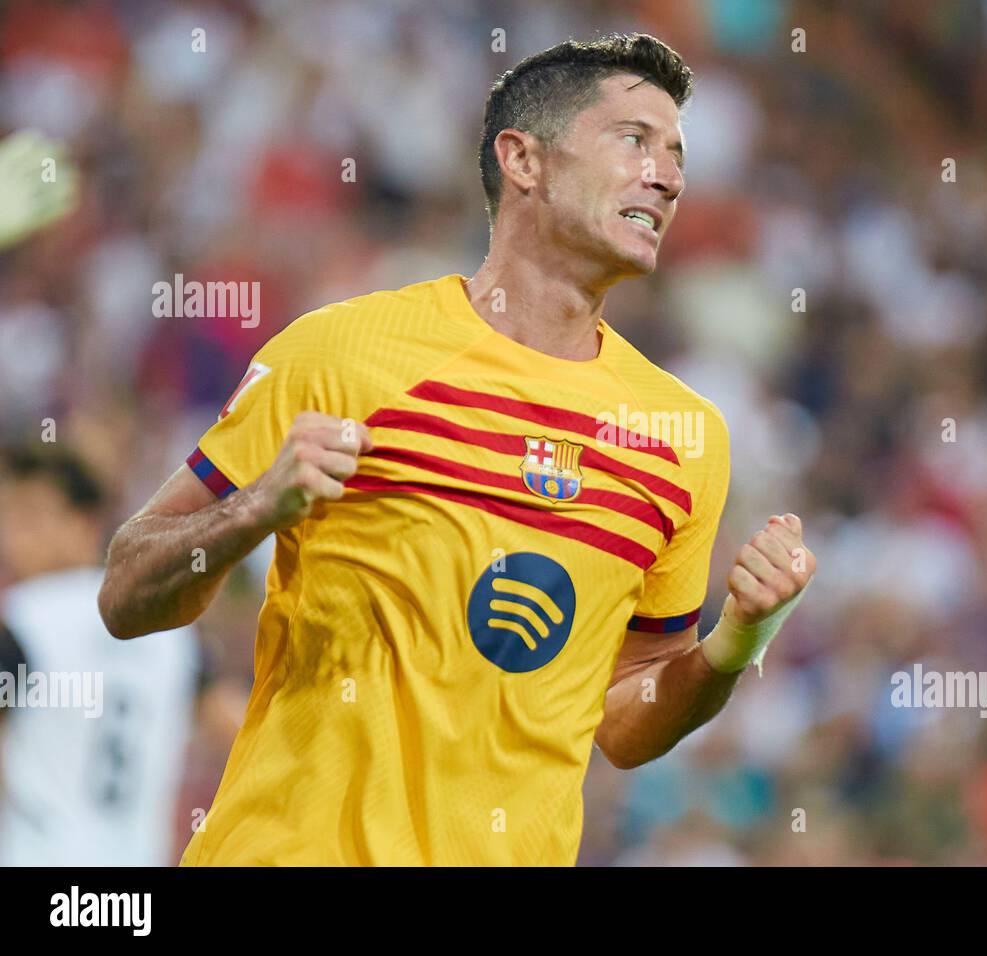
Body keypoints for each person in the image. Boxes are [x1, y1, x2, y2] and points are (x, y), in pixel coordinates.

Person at [98, 32, 816, 866]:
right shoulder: (341, 352)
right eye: (634, 142)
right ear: (524, 160)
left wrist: (734, 646)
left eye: (678, 156)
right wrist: (257, 508)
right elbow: (126, 592)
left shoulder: (682, 435)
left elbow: (624, 720)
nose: (669, 177)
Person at [0, 447, 199, 866]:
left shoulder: (24, 618)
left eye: (30, 517)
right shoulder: (176, 627)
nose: (11, 536)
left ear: (86, 525)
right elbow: (234, 726)